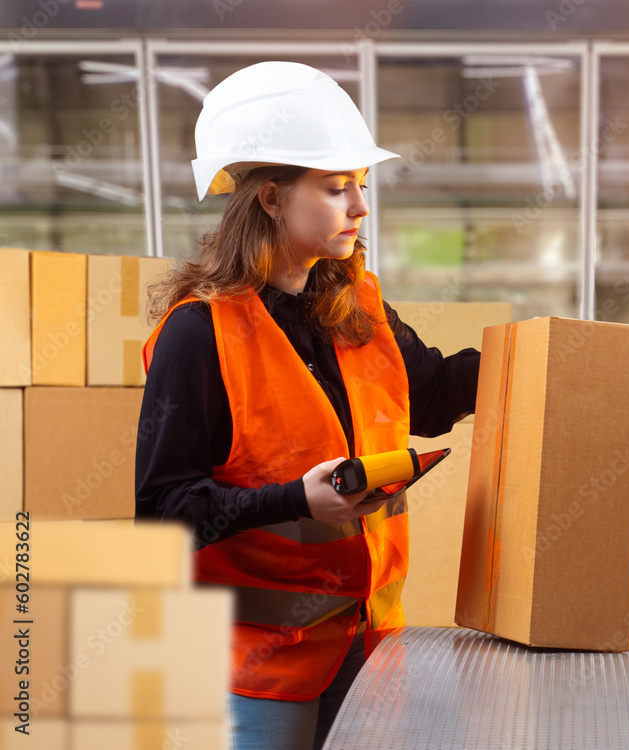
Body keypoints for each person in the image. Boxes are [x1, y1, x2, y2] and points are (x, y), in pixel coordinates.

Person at [134, 61, 479, 750]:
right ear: (269, 199)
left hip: (371, 642)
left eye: (361, 185)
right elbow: (163, 514)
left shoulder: (356, 308)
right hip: (257, 665)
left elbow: (432, 394)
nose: (360, 207)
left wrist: (541, 358)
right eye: (335, 187)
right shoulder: (198, 334)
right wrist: (295, 499)